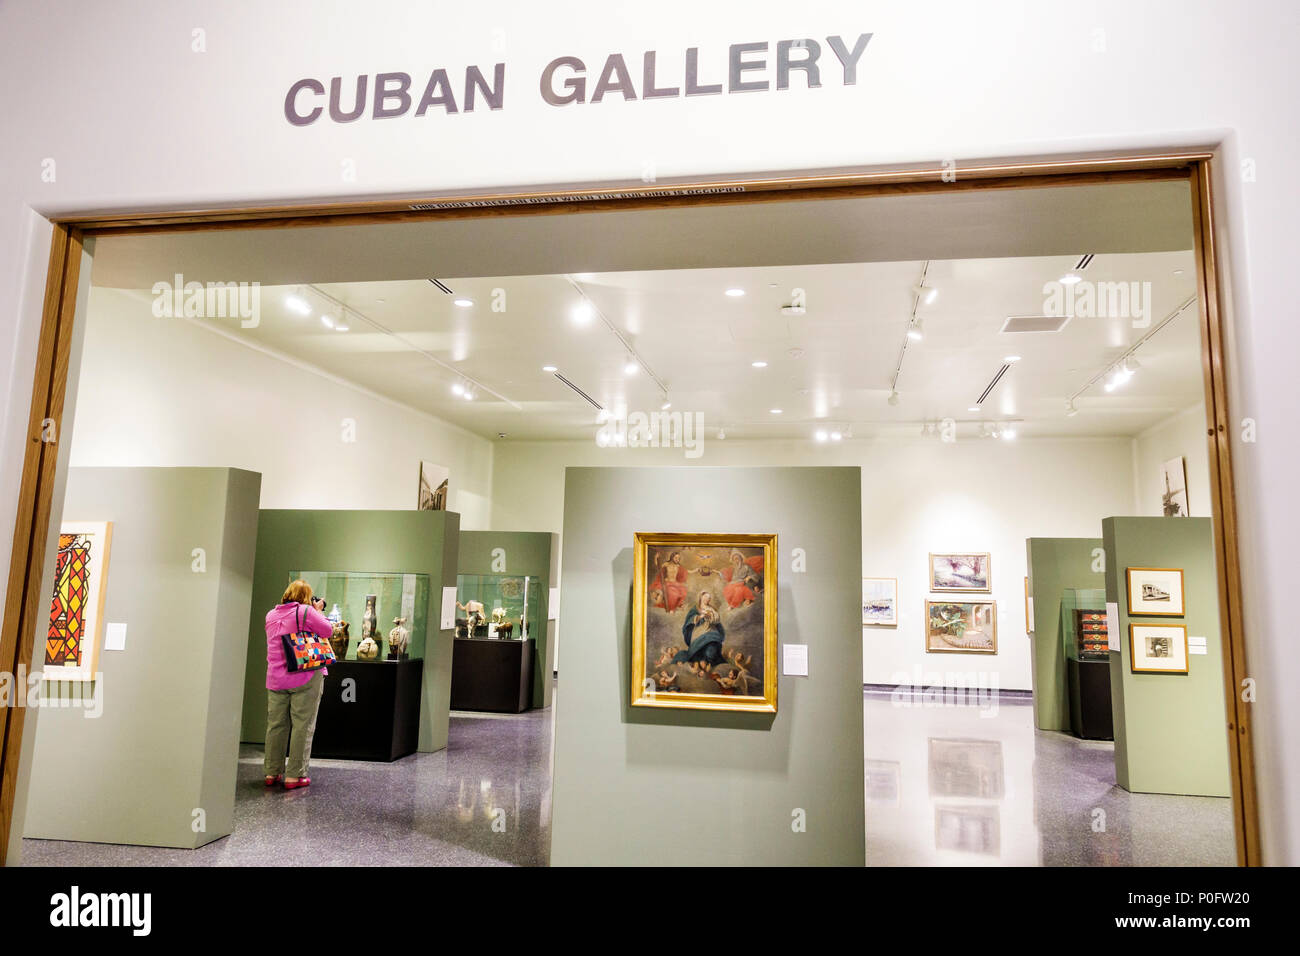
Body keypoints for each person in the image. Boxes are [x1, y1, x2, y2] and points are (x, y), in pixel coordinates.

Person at [264, 579, 332, 790]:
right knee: (302, 725)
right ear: (305, 596)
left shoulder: (270, 614)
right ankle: (295, 775)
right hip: (304, 676)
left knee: (276, 726)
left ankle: (271, 772)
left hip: (276, 679)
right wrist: (317, 610)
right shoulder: (305, 612)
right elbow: (327, 630)